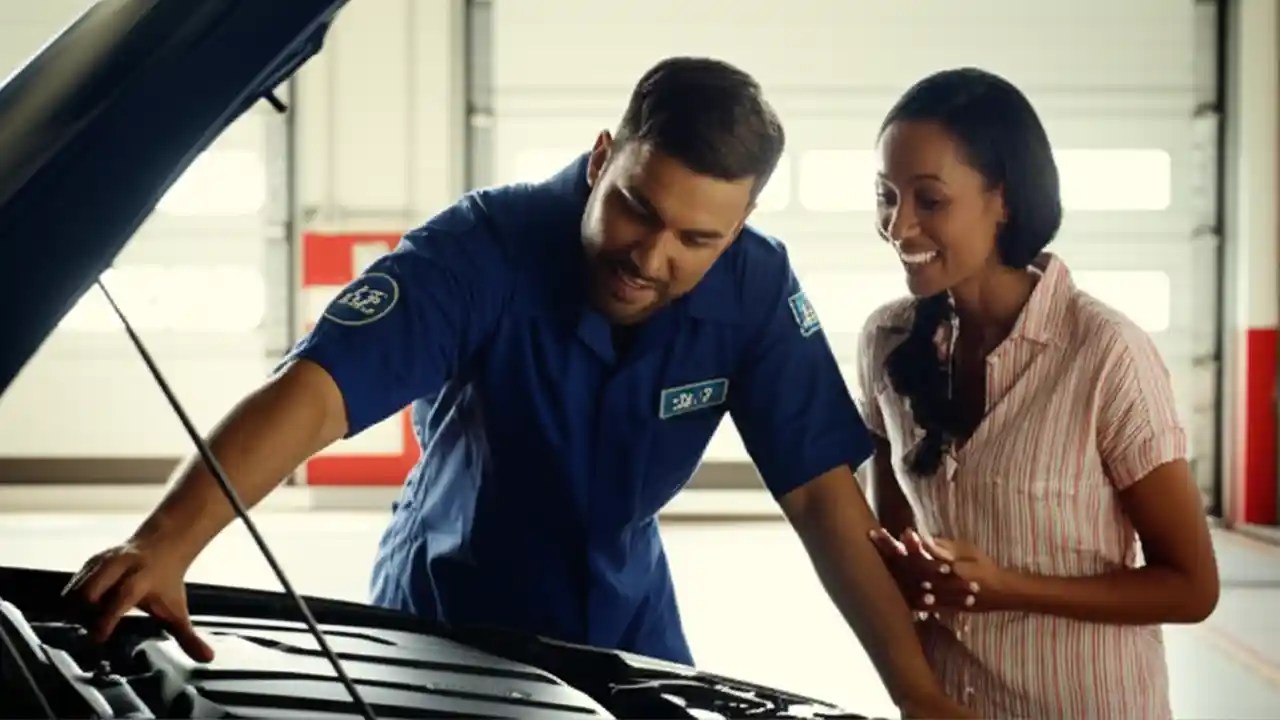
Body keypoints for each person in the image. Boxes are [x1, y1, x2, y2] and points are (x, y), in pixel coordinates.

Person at [63, 57, 972, 718]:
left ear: (739, 228)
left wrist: (917, 696)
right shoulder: (481, 247)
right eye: (637, 209)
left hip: (626, 620)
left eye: (697, 239)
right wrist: (164, 542)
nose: (652, 258)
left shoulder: (755, 283)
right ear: (602, 156)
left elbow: (819, 491)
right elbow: (319, 392)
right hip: (447, 621)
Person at [858, 66, 1221, 719]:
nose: (898, 227)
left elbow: (1192, 587)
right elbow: (896, 550)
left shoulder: (1106, 353)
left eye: (929, 200)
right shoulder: (886, 342)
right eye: (886, 196)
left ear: (1003, 198)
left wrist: (1007, 588)